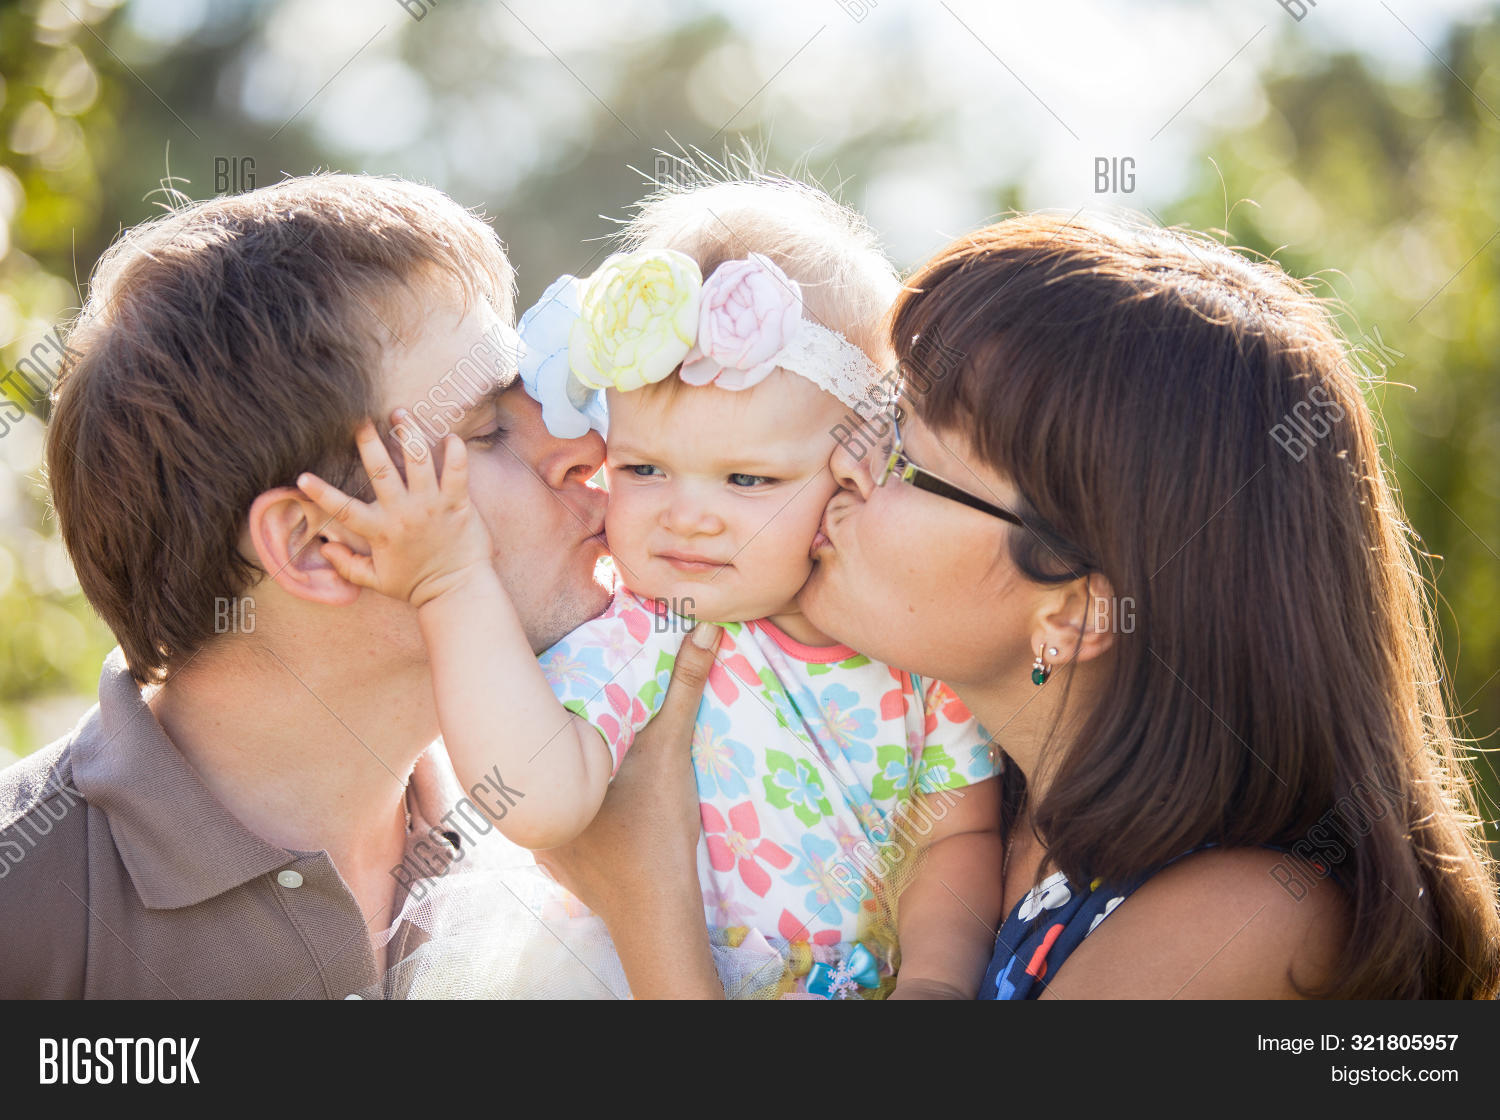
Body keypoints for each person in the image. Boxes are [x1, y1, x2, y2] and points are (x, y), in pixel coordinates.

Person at [547, 211, 1500, 999]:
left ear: (1075, 614)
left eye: (904, 456)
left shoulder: (1246, 923)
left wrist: (648, 903)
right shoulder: (945, 782)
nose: (842, 465)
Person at [0, 172, 717, 998]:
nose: (589, 451)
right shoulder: (28, 918)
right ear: (315, 544)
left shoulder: (612, 807)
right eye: (487, 429)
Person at [298, 177, 1006, 998]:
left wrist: (936, 982)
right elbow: (537, 802)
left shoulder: (908, 641)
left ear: (855, 469)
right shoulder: (644, 632)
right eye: (642, 469)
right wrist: (450, 582)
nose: (687, 517)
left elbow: (955, 834)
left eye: (747, 479)